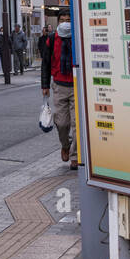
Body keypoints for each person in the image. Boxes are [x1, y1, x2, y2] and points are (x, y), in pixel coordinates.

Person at [40, 15, 77, 169]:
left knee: (76, 124)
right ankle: (65, 145)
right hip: (59, 86)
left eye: (68, 19)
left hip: (77, 85)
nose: (65, 23)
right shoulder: (52, 38)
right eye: (62, 20)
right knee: (62, 123)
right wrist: (45, 85)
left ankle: (75, 157)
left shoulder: (78, 36)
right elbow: (46, 63)